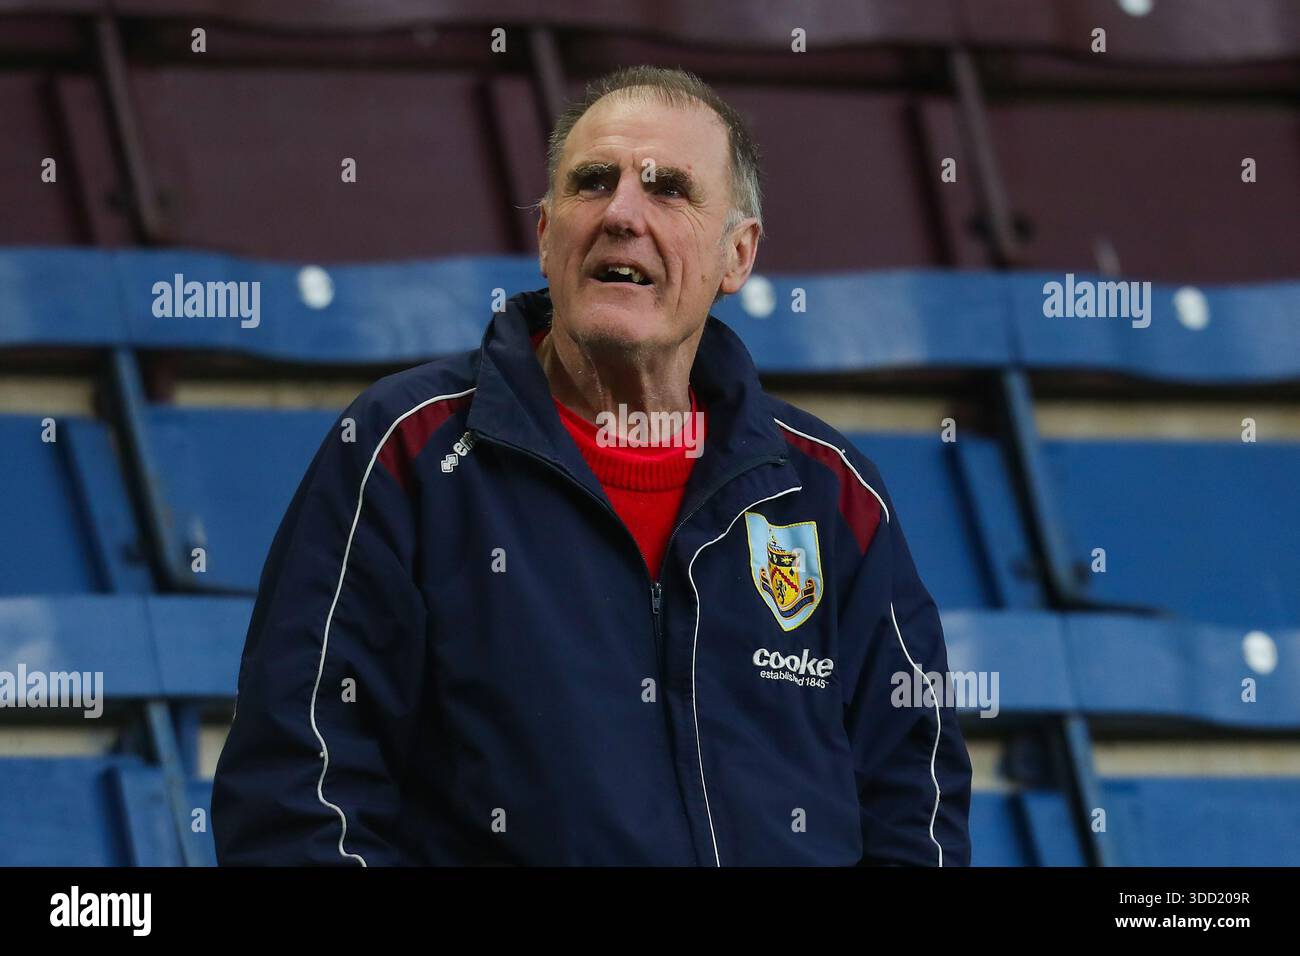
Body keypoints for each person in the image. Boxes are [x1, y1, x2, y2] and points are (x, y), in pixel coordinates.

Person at [212, 65, 971, 866]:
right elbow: (303, 788)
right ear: (545, 234)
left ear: (736, 255)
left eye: (668, 189)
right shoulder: (403, 451)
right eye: (592, 183)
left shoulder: (828, 492)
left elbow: (913, 801)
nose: (620, 214)